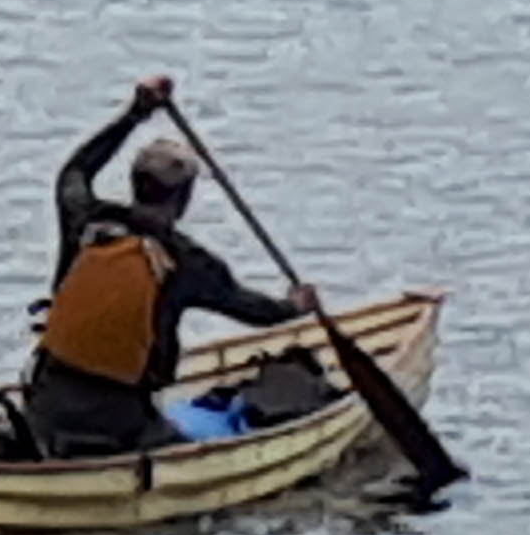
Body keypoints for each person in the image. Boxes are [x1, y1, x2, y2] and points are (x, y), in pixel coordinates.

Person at [18, 74, 312, 458]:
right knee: (191, 453)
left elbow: (75, 171)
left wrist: (135, 113)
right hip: (121, 422)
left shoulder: (84, 222)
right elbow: (258, 312)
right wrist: (296, 306)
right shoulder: (187, 263)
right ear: (185, 198)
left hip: (44, 401)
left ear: (134, 182)